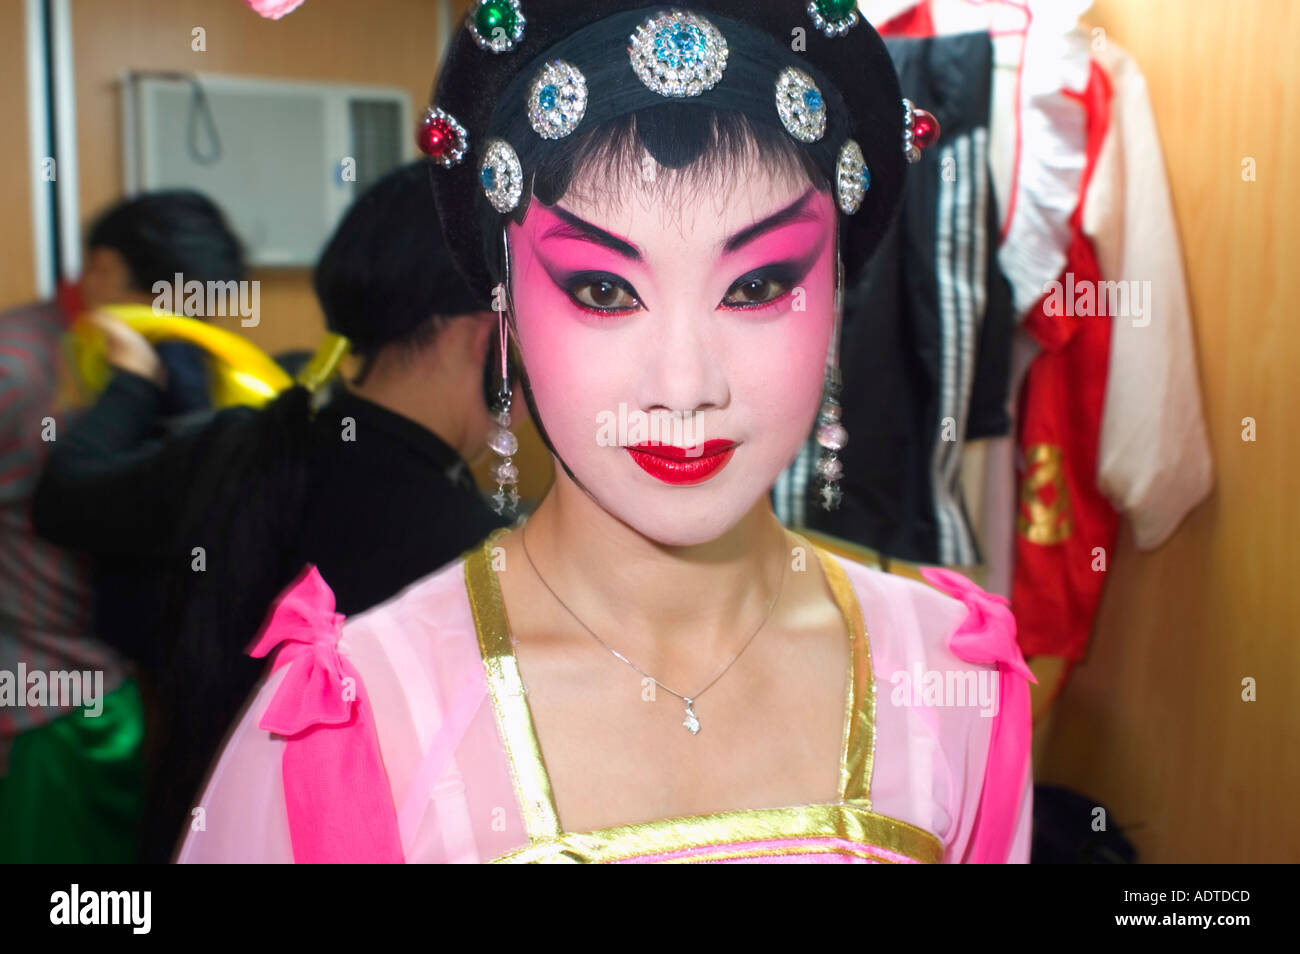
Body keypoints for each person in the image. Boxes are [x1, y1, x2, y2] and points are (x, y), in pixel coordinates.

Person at [179, 0, 1034, 864]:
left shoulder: (955, 685)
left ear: (836, 298)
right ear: (505, 317)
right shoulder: (359, 719)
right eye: (602, 292)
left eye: (757, 286)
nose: (684, 386)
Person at [32, 161, 510, 862]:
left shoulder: (241, 444)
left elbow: (65, 499)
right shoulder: (477, 557)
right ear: (486, 336)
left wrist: (133, 383)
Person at [0, 189, 245, 862]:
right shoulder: (18, 366)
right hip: (41, 704)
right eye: (167, 307)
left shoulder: (163, 355)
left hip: (129, 688)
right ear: (105, 272)